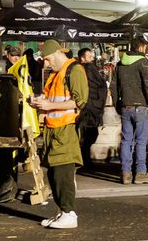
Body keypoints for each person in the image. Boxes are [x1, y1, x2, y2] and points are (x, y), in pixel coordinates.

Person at [29, 39, 87, 229]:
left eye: (47, 59)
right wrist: (38, 101)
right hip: (53, 130)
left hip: (65, 130)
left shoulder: (74, 70)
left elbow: (80, 102)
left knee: (63, 172)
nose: (45, 64)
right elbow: (50, 96)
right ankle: (63, 211)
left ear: (56, 54)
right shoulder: (56, 74)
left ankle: (69, 213)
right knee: (55, 173)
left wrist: (49, 105)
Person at [110, 42, 148, 184]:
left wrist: (117, 104)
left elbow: (113, 86)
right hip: (141, 105)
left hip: (125, 105)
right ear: (142, 49)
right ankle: (141, 172)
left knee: (126, 140)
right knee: (141, 141)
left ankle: (126, 172)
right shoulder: (142, 63)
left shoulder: (120, 64)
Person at [75, 48, 107, 170]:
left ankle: (85, 159)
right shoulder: (87, 68)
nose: (92, 58)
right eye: (89, 56)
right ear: (82, 58)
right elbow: (99, 85)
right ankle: (84, 160)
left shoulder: (82, 69)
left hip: (90, 106)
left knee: (88, 135)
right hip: (91, 107)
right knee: (89, 135)